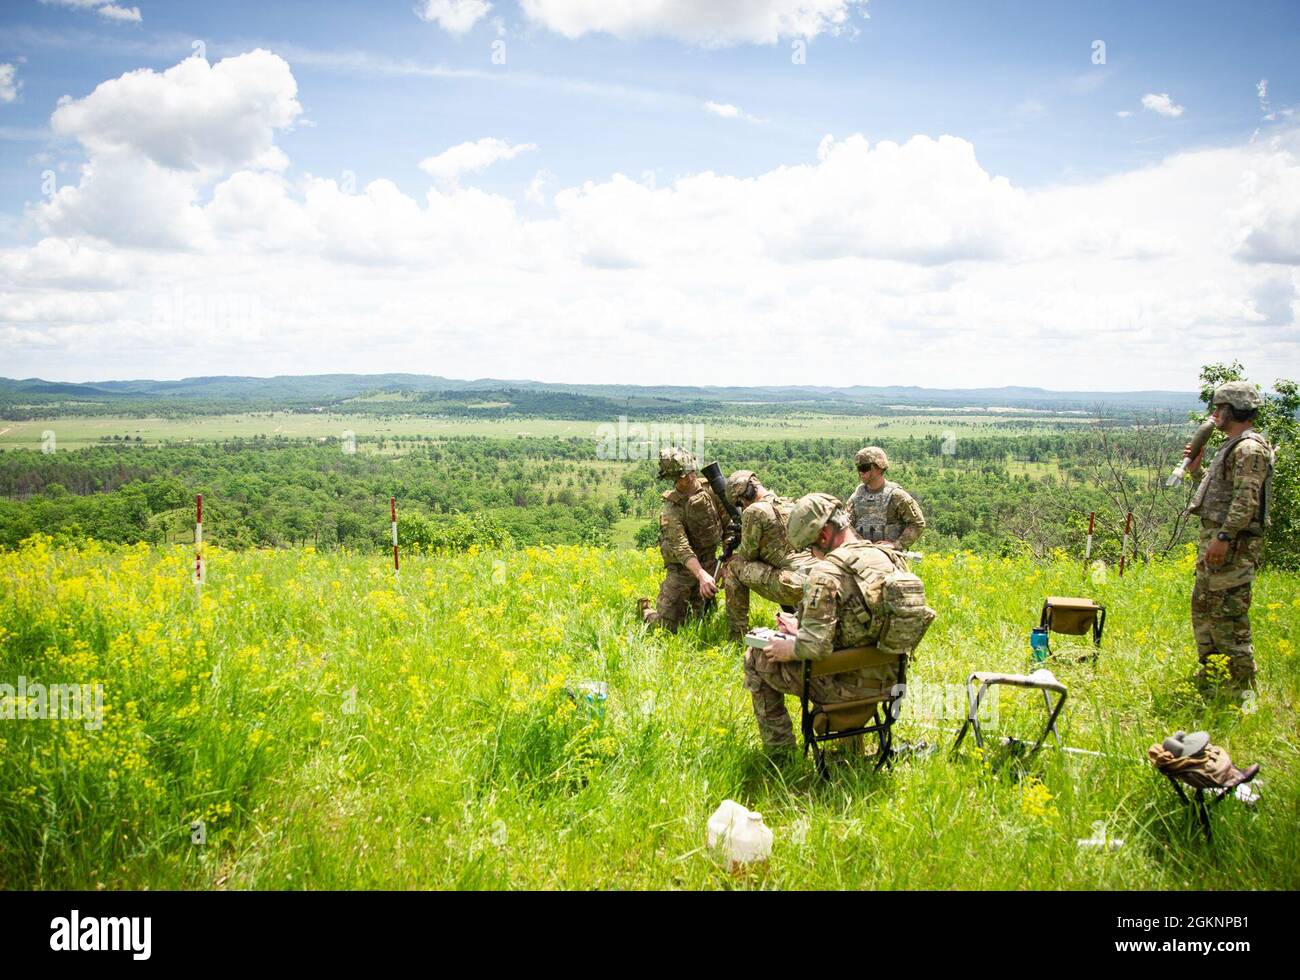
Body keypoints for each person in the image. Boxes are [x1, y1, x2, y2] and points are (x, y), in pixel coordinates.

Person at [743, 492, 906, 750]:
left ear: (822, 536)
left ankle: (780, 751)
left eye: (810, 547)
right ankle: (852, 747)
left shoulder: (826, 573)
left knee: (755, 657)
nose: (811, 553)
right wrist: (804, 628)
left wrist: (788, 647)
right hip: (889, 680)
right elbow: (863, 626)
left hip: (844, 685)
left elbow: (815, 648)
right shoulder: (888, 559)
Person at [1184, 381, 1275, 694]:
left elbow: (1245, 499)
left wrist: (1224, 536)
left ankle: (1242, 688)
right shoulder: (1232, 446)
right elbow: (1218, 494)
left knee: (1230, 619)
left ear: (1234, 410)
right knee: (1205, 612)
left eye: (1220, 408)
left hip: (1232, 548)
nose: (1215, 414)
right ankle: (1212, 677)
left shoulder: (1249, 448)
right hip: (1216, 545)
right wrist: (1196, 470)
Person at [637, 447, 728, 633]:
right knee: (667, 628)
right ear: (673, 479)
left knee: (703, 619)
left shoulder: (711, 490)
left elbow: (729, 524)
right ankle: (645, 611)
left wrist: (727, 561)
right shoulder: (672, 508)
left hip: (711, 561)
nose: (689, 477)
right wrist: (702, 575)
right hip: (684, 570)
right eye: (682, 475)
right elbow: (681, 547)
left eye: (690, 471)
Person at [721, 470, 817, 641]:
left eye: (739, 502)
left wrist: (742, 539)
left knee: (733, 566)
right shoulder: (790, 503)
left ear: (744, 496)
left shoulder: (755, 511)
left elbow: (747, 555)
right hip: (818, 578)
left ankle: (737, 635)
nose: (741, 506)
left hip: (793, 584)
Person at [846, 446, 926, 549]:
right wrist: (860, 543)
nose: (861, 472)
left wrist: (896, 544)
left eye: (864, 468)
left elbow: (917, 523)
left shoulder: (897, 496)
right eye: (858, 468)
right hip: (861, 555)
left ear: (879, 467)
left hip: (889, 556)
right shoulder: (856, 497)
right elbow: (845, 524)